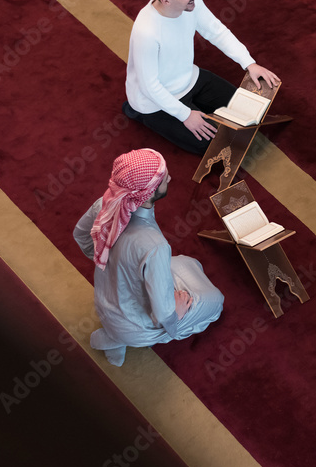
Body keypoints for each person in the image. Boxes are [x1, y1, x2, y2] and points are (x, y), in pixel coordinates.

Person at [73, 148, 224, 366]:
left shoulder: (105, 203)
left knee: (189, 263)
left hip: (104, 303)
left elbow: (80, 236)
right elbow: (163, 314)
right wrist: (175, 318)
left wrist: (108, 261)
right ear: (148, 194)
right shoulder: (155, 246)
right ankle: (116, 338)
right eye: (164, 178)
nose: (169, 178)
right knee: (216, 302)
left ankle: (115, 333)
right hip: (135, 326)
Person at [123, 0, 281, 154]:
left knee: (252, 112)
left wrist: (249, 63)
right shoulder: (146, 33)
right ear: (166, 1)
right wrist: (185, 115)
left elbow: (216, 31)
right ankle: (135, 110)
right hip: (155, 100)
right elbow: (149, 86)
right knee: (215, 145)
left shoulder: (191, 2)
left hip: (190, 78)